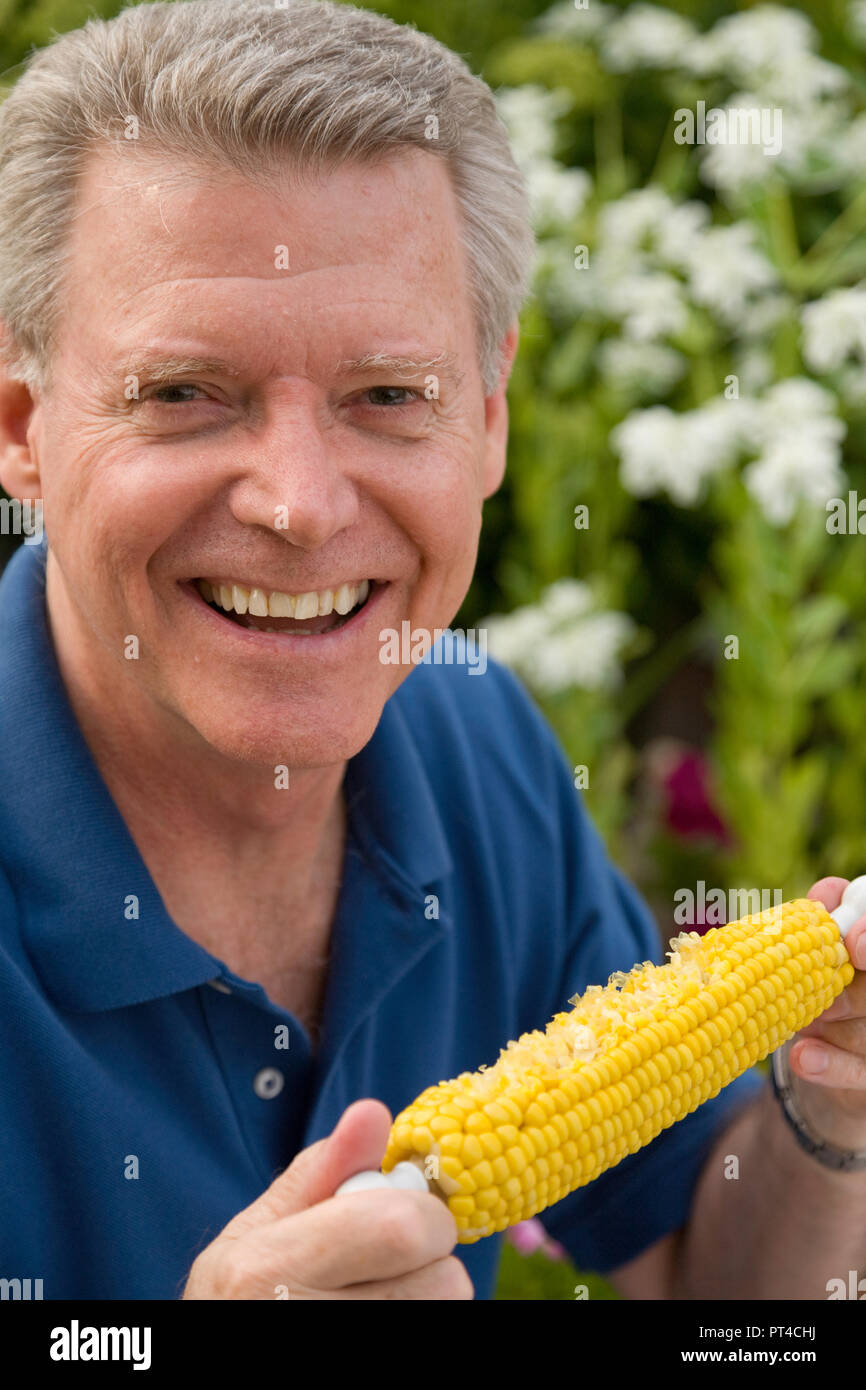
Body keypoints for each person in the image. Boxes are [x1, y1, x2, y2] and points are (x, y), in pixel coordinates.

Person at [0, 0, 863, 1303]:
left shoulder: (471, 737)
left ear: (491, 420)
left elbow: (696, 1271)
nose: (298, 502)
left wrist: (831, 1109)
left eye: (388, 396)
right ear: (23, 430)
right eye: (184, 394)